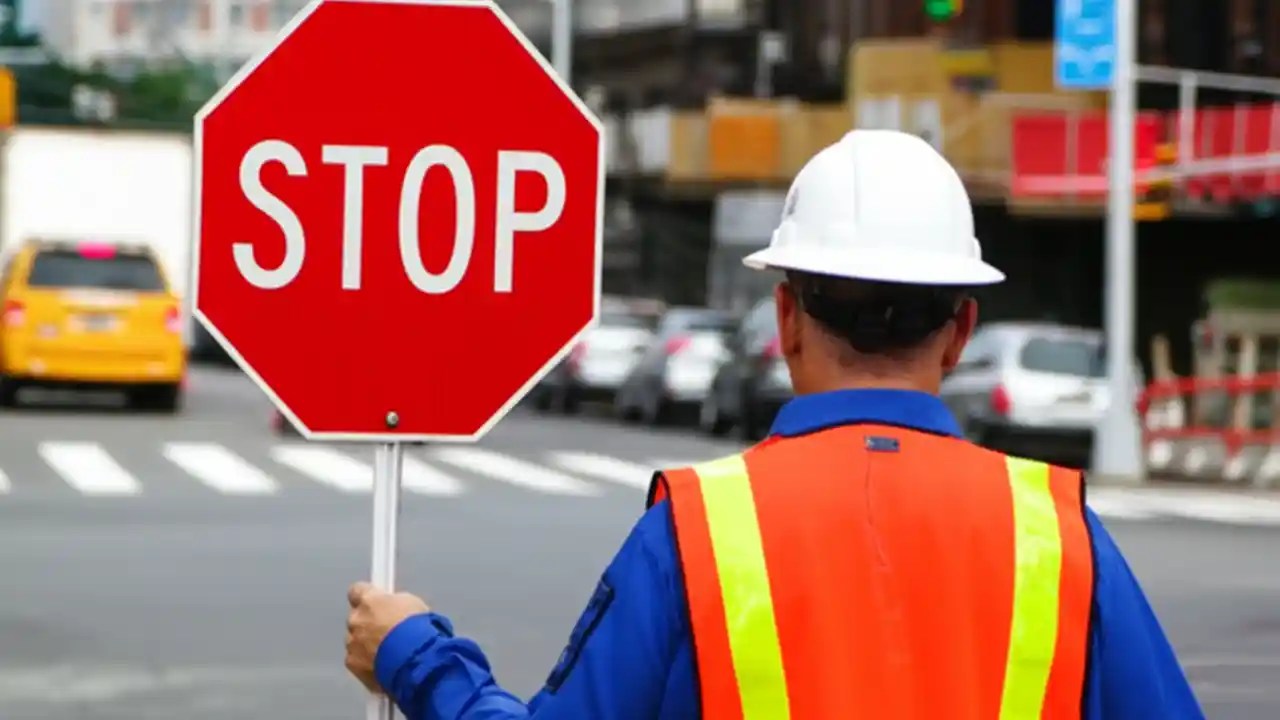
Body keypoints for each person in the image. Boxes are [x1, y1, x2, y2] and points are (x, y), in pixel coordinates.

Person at [344, 130, 1204, 719]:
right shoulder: (1056, 538)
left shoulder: (702, 529)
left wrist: (415, 653)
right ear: (962, 330)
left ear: (786, 317)